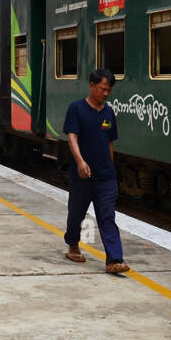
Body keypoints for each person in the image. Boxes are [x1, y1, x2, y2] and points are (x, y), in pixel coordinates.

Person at [63, 69, 129, 274]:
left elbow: (109, 142)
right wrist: (80, 162)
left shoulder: (109, 112)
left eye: (109, 90)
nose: (106, 94)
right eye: (102, 89)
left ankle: (114, 260)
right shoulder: (76, 108)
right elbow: (72, 137)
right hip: (82, 175)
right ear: (92, 86)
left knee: (107, 217)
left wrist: (112, 168)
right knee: (76, 214)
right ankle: (73, 245)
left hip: (105, 176)